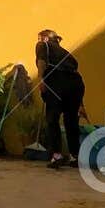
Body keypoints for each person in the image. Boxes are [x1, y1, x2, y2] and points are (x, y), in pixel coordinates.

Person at [35, 29, 84, 168]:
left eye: (40, 38)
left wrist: (41, 80)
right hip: (76, 84)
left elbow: (41, 61)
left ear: (44, 38)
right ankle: (75, 156)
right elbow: (75, 73)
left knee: (53, 119)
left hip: (57, 82)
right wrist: (81, 103)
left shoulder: (42, 45)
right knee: (71, 120)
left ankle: (56, 156)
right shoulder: (66, 54)